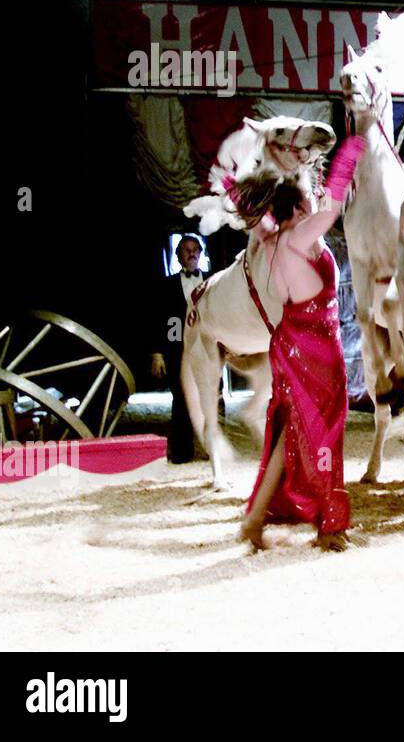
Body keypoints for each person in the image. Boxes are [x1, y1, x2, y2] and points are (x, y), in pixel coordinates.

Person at [232, 134, 366, 552]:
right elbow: (337, 201)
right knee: (323, 433)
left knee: (293, 430)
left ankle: (257, 519)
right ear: (297, 206)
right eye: (309, 195)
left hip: (288, 341)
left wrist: (230, 182)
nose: (315, 199)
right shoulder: (300, 235)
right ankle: (328, 523)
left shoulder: (269, 236)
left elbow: (242, 201)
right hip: (315, 347)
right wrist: (355, 145)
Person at [152, 234, 208, 464]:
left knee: (211, 398)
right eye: (186, 250)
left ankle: (214, 450)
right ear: (178, 255)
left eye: (196, 249)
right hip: (178, 349)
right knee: (181, 399)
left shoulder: (214, 282)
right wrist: (157, 354)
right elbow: (158, 321)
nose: (192, 253)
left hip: (208, 348)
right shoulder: (167, 287)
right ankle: (182, 452)